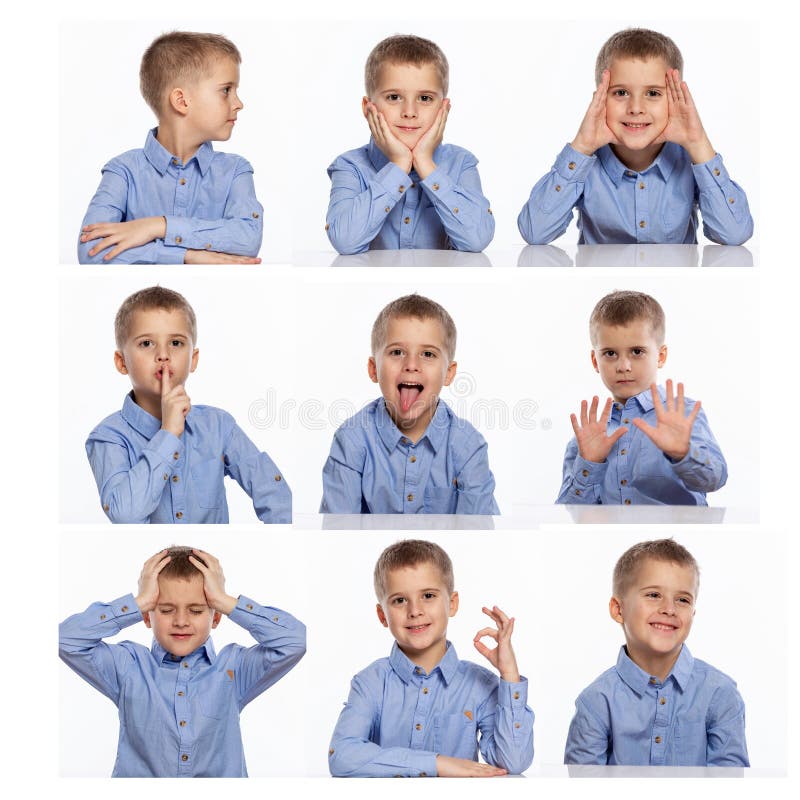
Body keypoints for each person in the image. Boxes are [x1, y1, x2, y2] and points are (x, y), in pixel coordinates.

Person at [59, 546, 306, 776]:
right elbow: (65, 639)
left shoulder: (234, 669)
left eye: (196, 611)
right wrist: (138, 602)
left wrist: (225, 601)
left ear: (216, 618)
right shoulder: (127, 667)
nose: (181, 621)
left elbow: (296, 641)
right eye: (166, 610)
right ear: (146, 617)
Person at [518, 28, 752, 245]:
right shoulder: (584, 163)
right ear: (600, 98)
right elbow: (535, 233)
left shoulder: (690, 159)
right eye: (621, 92)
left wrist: (699, 144)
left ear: (675, 98)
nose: (636, 108)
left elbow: (734, 234)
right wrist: (582, 146)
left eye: (653, 93)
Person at [329, 539, 533, 777]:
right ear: (382, 615)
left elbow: (513, 762)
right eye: (399, 600)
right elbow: (342, 756)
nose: (415, 611)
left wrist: (509, 674)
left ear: (452, 604)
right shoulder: (370, 683)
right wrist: (437, 763)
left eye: (428, 595)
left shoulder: (480, 684)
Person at [86, 286, 291, 522]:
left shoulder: (218, 426)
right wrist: (168, 434)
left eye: (175, 343)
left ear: (193, 359)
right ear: (122, 362)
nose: (163, 354)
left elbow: (277, 498)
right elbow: (124, 515)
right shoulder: (108, 437)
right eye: (146, 343)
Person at [78, 31, 263, 264]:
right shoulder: (124, 171)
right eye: (226, 90)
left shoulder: (235, 170)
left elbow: (248, 239)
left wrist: (159, 226)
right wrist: (186, 256)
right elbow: (91, 250)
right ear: (181, 101)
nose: (239, 104)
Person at [564, 538, 749, 766]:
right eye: (653, 595)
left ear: (693, 613)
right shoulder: (596, 702)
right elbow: (583, 783)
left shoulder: (720, 694)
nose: (669, 609)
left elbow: (730, 781)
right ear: (618, 609)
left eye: (683, 599)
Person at [320, 294, 499, 514]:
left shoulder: (468, 447)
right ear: (373, 369)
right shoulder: (352, 440)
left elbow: (477, 530)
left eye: (428, 354)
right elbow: (338, 529)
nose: (411, 365)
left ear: (448, 373)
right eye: (397, 352)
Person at [326, 34, 494, 254]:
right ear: (368, 108)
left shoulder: (461, 163)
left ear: (443, 109)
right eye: (394, 97)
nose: (409, 112)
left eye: (425, 98)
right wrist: (399, 165)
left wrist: (425, 163)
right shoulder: (350, 166)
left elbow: (477, 240)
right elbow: (345, 242)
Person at [557, 290, 725, 505]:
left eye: (637, 352)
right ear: (595, 361)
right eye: (610, 353)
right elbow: (568, 514)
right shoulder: (587, 437)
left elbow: (715, 479)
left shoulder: (682, 415)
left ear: (661, 356)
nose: (623, 366)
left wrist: (683, 453)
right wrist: (589, 463)